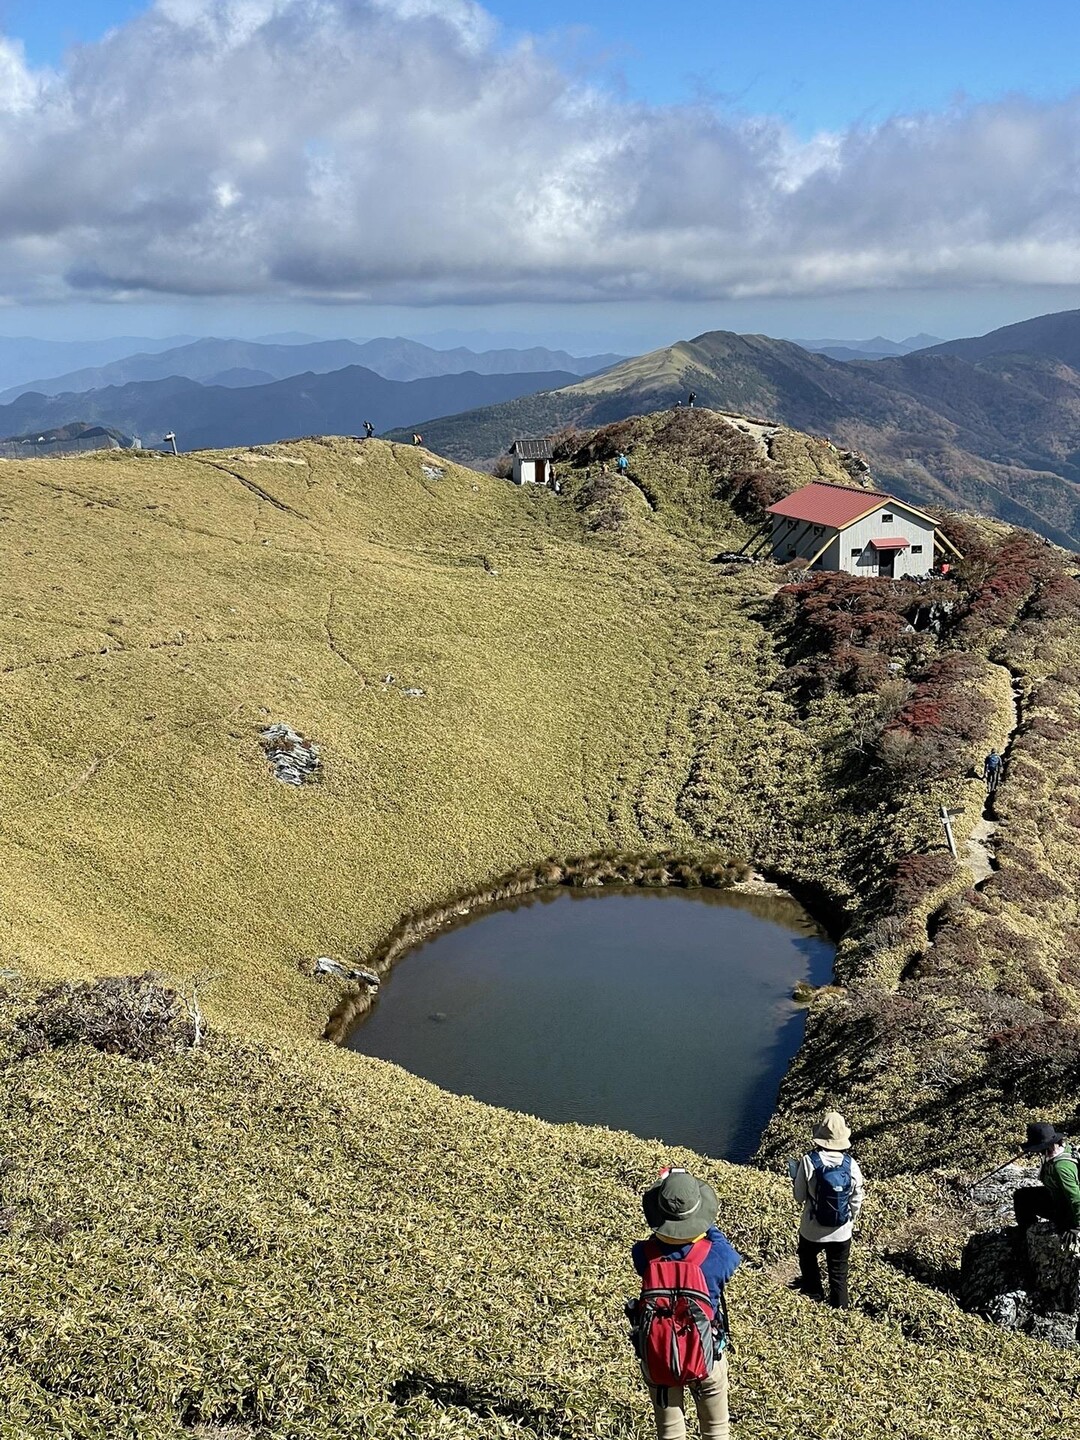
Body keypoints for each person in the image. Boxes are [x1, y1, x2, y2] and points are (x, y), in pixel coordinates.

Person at [630, 1167, 740, 1440]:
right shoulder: (719, 1255)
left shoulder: (643, 1254)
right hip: (707, 1352)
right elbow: (729, 1254)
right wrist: (702, 1222)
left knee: (670, 1433)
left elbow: (653, 1240)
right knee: (716, 1430)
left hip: (659, 1354)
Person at [792, 1111, 864, 1309]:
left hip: (812, 1229)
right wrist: (849, 1219)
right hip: (841, 1231)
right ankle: (840, 1309)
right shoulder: (851, 1164)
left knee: (807, 1258)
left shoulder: (809, 1161)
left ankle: (814, 1293)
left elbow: (799, 1197)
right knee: (839, 1272)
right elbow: (857, 1197)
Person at [1014, 1123, 1080, 1246]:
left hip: (1068, 1207)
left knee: (1023, 1199)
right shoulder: (1062, 1149)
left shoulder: (1061, 1168)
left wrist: (1077, 1226)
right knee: (1022, 1196)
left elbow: (1075, 1197)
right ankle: (1026, 1232)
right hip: (1059, 1197)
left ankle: (1025, 1239)